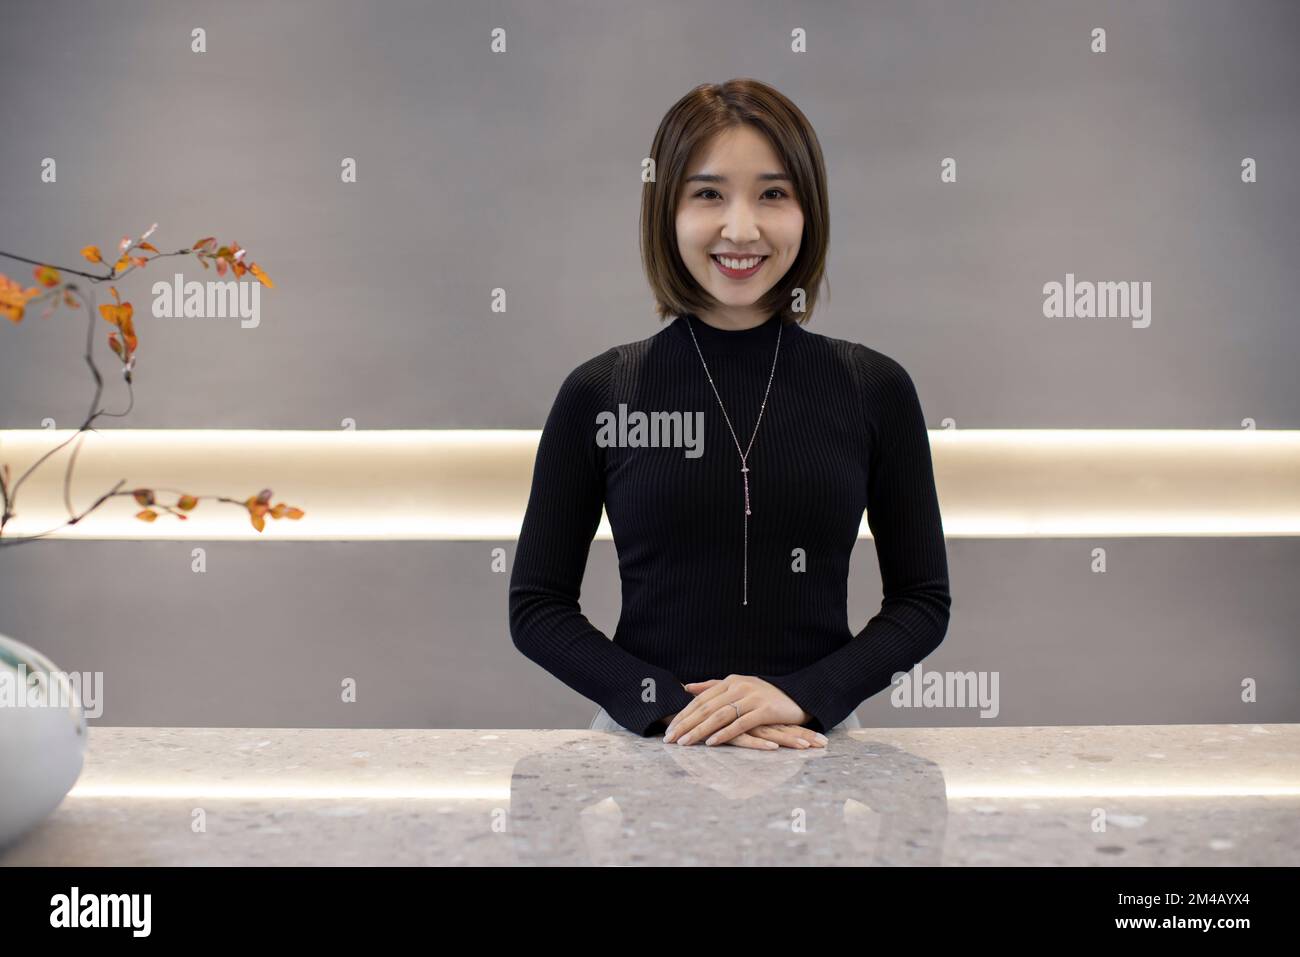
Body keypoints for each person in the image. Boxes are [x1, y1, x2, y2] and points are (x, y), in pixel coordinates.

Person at [509, 78, 951, 751]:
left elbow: (922, 602)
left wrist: (804, 694)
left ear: (809, 211)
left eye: (773, 194)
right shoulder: (602, 391)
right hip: (651, 740)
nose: (740, 227)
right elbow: (537, 608)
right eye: (708, 193)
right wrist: (671, 708)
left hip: (814, 742)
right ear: (667, 210)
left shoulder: (873, 386)